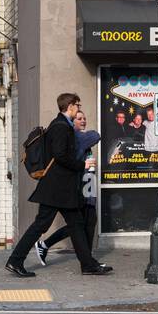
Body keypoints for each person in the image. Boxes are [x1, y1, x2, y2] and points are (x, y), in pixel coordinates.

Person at [4, 92, 113, 278]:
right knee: (41, 226)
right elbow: (61, 156)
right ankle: (15, 261)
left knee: (76, 224)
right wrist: (82, 165)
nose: (78, 108)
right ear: (69, 106)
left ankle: (88, 264)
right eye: (77, 105)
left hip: (61, 189)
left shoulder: (61, 125)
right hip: (57, 188)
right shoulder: (61, 127)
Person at [37, 110, 101, 262]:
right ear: (73, 122)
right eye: (79, 119)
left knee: (85, 222)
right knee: (82, 223)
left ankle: (46, 245)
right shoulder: (78, 137)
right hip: (81, 187)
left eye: (84, 118)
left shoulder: (78, 138)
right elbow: (96, 135)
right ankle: (87, 259)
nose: (83, 121)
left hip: (88, 184)